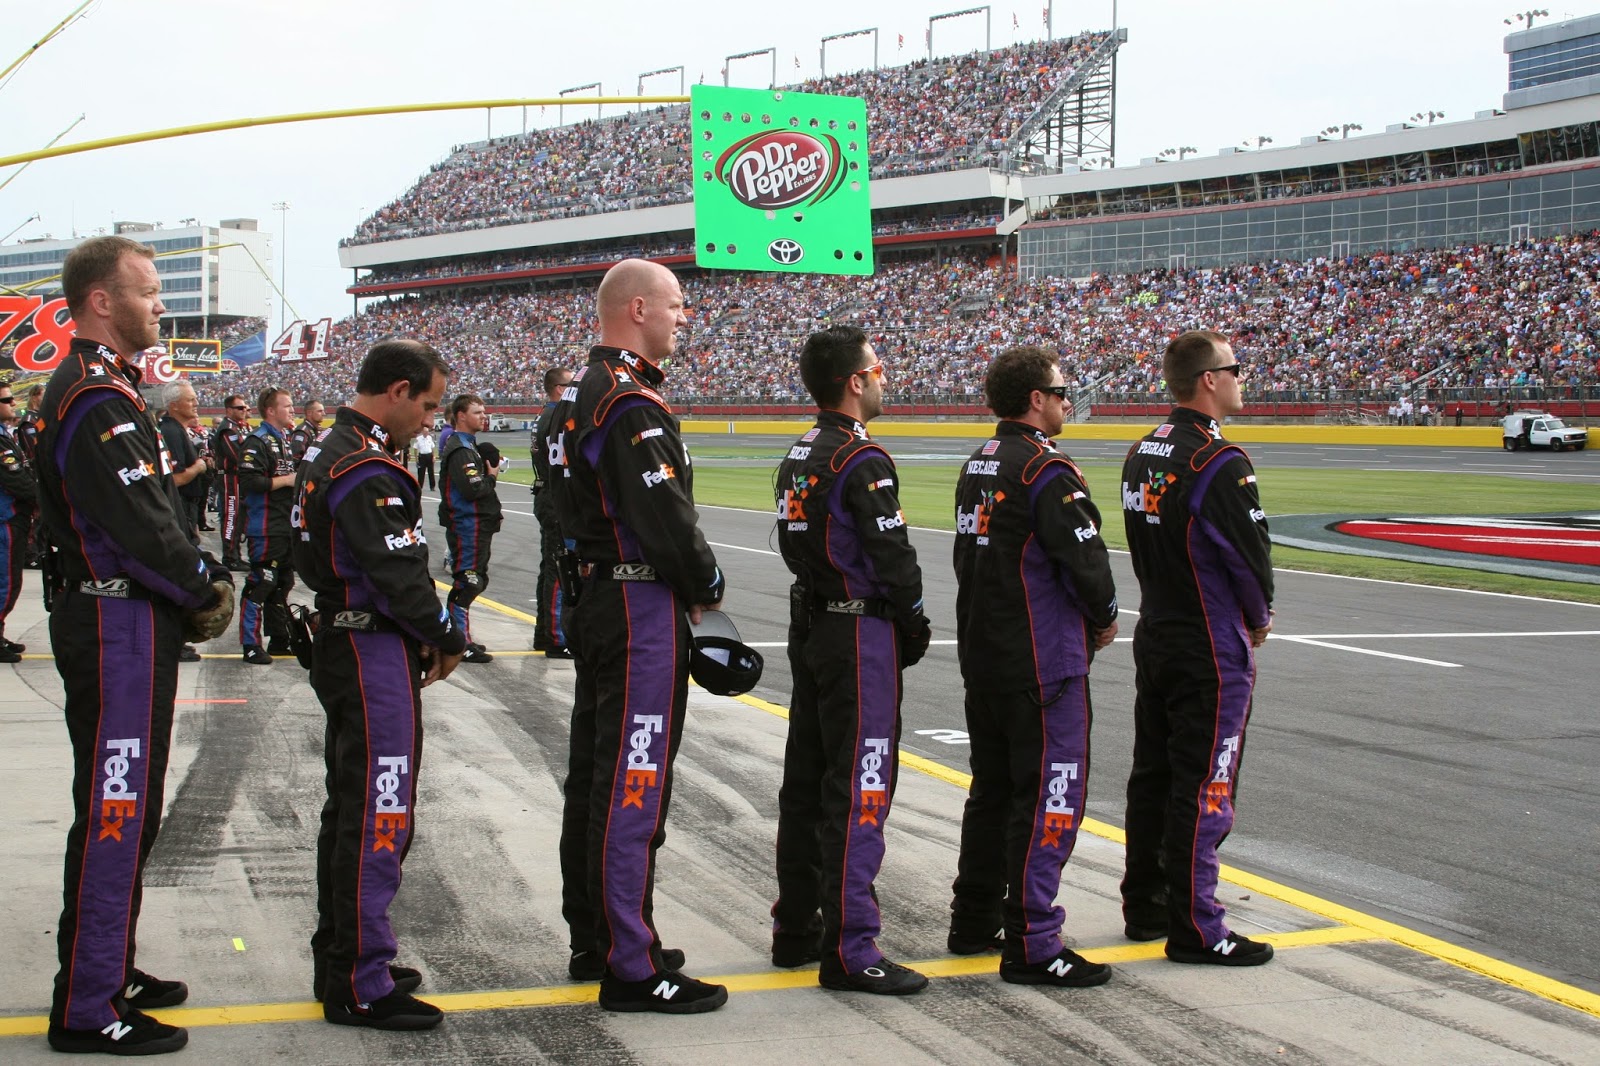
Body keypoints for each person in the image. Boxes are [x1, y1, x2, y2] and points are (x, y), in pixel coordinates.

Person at [40, 235, 234, 1055]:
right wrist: (204, 588)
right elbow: (143, 524)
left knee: (130, 807)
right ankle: (88, 1004)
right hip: (115, 620)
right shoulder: (94, 395)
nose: (163, 306)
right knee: (117, 809)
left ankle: (105, 962)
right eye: (150, 293)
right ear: (100, 303)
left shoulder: (113, 389)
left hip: (127, 622)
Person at [549, 259, 727, 1013]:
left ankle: (600, 934)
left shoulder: (572, 400)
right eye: (678, 304)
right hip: (634, 604)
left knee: (597, 773)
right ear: (639, 308)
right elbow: (668, 524)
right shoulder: (628, 402)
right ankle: (629, 960)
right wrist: (708, 587)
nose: (685, 316)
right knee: (635, 775)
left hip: (593, 596)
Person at [293, 338, 463, 1031]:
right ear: (396, 390)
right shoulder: (365, 465)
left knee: (351, 805)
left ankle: (344, 958)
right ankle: (361, 979)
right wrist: (448, 635)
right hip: (369, 646)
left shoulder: (328, 446)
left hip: (344, 638)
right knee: (379, 808)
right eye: (426, 404)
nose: (429, 420)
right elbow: (399, 576)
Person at [947, 346, 1119, 987]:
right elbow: (1086, 561)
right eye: (1061, 389)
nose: (1069, 399)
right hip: (1042, 659)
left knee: (991, 793)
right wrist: (1104, 615)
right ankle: (1034, 941)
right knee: (1051, 794)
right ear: (1036, 400)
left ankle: (973, 922)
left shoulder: (980, 462)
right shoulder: (1046, 470)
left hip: (983, 655)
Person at [770, 324, 932, 995]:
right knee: (860, 785)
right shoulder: (860, 458)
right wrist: (913, 619)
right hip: (856, 630)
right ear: (855, 381)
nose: (886, 372)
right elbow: (893, 561)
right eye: (877, 364)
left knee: (806, 784)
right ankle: (851, 946)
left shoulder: (799, 451)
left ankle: (797, 930)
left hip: (811, 624)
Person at [1119, 329, 1276, 967]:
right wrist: (1259, 617)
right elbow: (1249, 555)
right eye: (1235, 369)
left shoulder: (1142, 450)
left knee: (1153, 777)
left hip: (1155, 626)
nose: (1242, 378)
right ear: (1208, 380)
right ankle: (1199, 926)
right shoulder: (1220, 460)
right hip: (1208, 639)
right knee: (1205, 782)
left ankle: (1147, 905)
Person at [437, 392, 502, 664]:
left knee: (475, 580)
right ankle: (457, 643)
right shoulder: (461, 449)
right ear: (461, 415)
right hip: (467, 524)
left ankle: (461, 638)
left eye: (484, 411)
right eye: (477, 412)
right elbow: (473, 489)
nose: (483, 416)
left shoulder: (469, 445)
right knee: (468, 581)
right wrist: (491, 477)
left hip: (476, 524)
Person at [237, 387, 298, 665]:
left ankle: (280, 639)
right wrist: (286, 480)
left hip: (284, 524)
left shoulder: (284, 439)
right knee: (262, 582)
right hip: (264, 526)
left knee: (283, 582)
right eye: (287, 406)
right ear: (271, 410)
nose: (292, 410)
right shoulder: (256, 441)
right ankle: (250, 644)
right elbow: (249, 483)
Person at [157, 382, 214, 664]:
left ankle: (178, 638)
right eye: (190, 400)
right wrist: (199, 467)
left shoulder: (178, 429)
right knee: (180, 573)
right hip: (178, 509)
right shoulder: (169, 431)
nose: (195, 403)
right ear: (174, 404)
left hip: (186, 509)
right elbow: (175, 479)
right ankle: (174, 640)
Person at [530, 365, 573, 658]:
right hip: (556, 497)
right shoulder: (558, 417)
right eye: (571, 386)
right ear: (559, 388)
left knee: (549, 568)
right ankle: (556, 638)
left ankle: (543, 632)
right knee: (560, 569)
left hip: (545, 493)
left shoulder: (542, 415)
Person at [0, 384, 36, 661]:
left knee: (9, 582)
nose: (14, 403)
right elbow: (16, 480)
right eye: (7, 400)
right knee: (6, 582)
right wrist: (45, 499)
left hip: (12, 518)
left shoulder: (6, 435)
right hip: (7, 519)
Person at [210, 393, 249, 569]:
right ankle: (230, 557)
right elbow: (237, 455)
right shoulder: (227, 429)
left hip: (236, 478)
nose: (244, 410)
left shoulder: (236, 427)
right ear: (228, 410)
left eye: (245, 408)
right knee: (231, 516)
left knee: (238, 517)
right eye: (240, 408)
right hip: (228, 477)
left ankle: (235, 555)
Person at [289, 397, 326, 464]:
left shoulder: (317, 430)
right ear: (309, 413)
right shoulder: (302, 432)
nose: (324, 414)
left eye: (323, 411)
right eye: (320, 411)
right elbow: (297, 458)